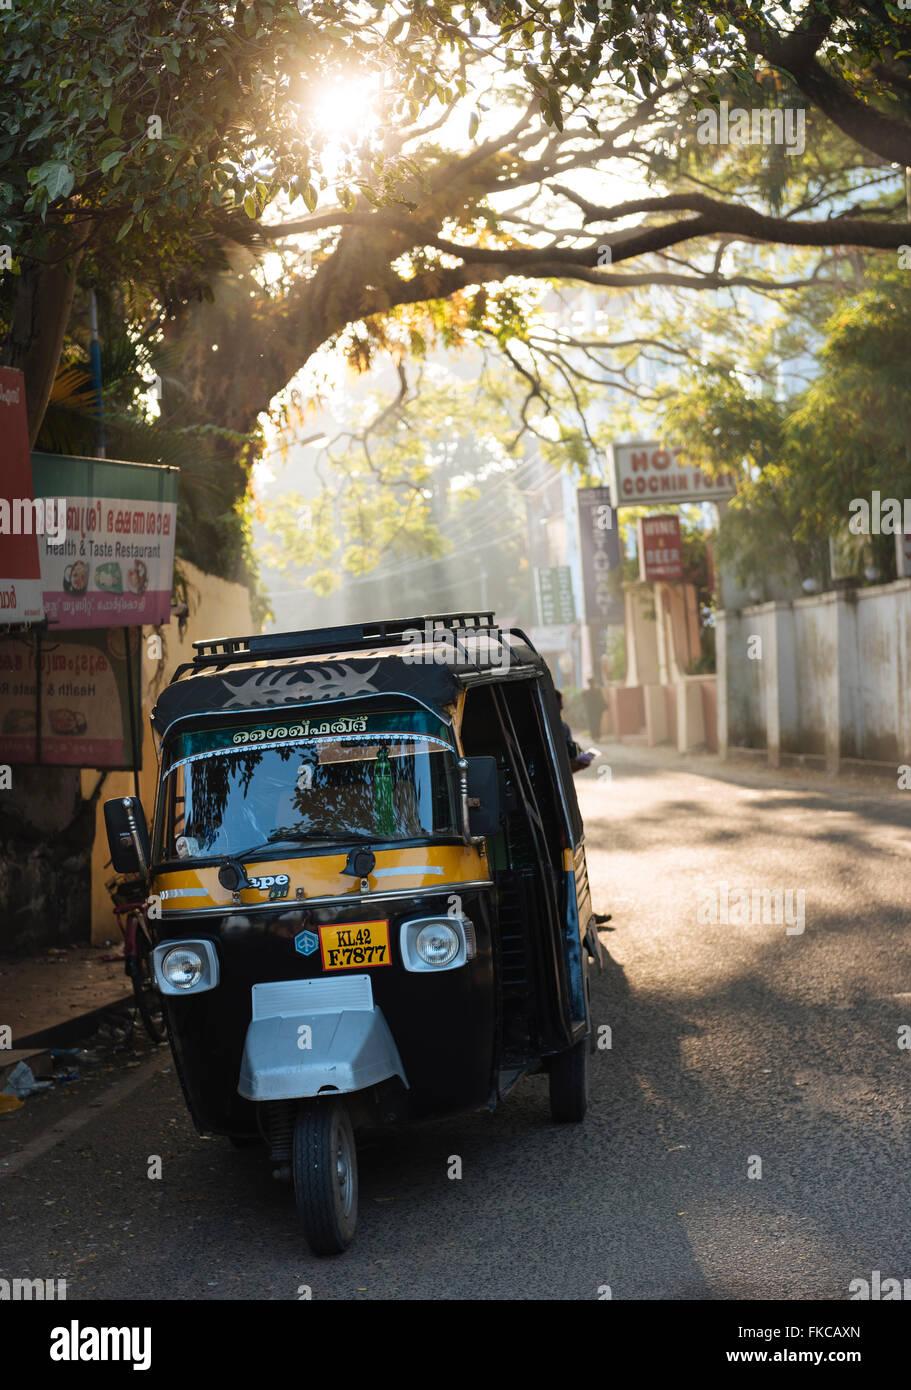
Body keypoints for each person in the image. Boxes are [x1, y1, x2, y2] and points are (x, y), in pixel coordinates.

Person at [555, 689, 594, 773]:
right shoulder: (562, 728)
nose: (562, 707)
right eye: (559, 705)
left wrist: (578, 763)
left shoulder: (563, 727)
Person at [582, 676, 606, 743]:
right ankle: (597, 737)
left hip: (590, 712)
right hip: (597, 712)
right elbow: (601, 700)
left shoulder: (585, 692)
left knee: (592, 724)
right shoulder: (598, 691)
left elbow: (584, 702)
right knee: (597, 724)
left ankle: (594, 737)